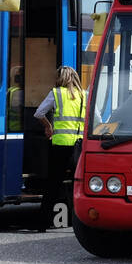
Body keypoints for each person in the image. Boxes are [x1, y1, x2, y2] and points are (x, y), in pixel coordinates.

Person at [33, 65, 85, 230]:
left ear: (60, 78)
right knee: (80, 185)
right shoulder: (85, 95)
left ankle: (42, 223)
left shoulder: (55, 93)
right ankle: (82, 223)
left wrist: (48, 126)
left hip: (60, 146)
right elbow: (96, 117)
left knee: (53, 185)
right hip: (79, 147)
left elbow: (39, 113)